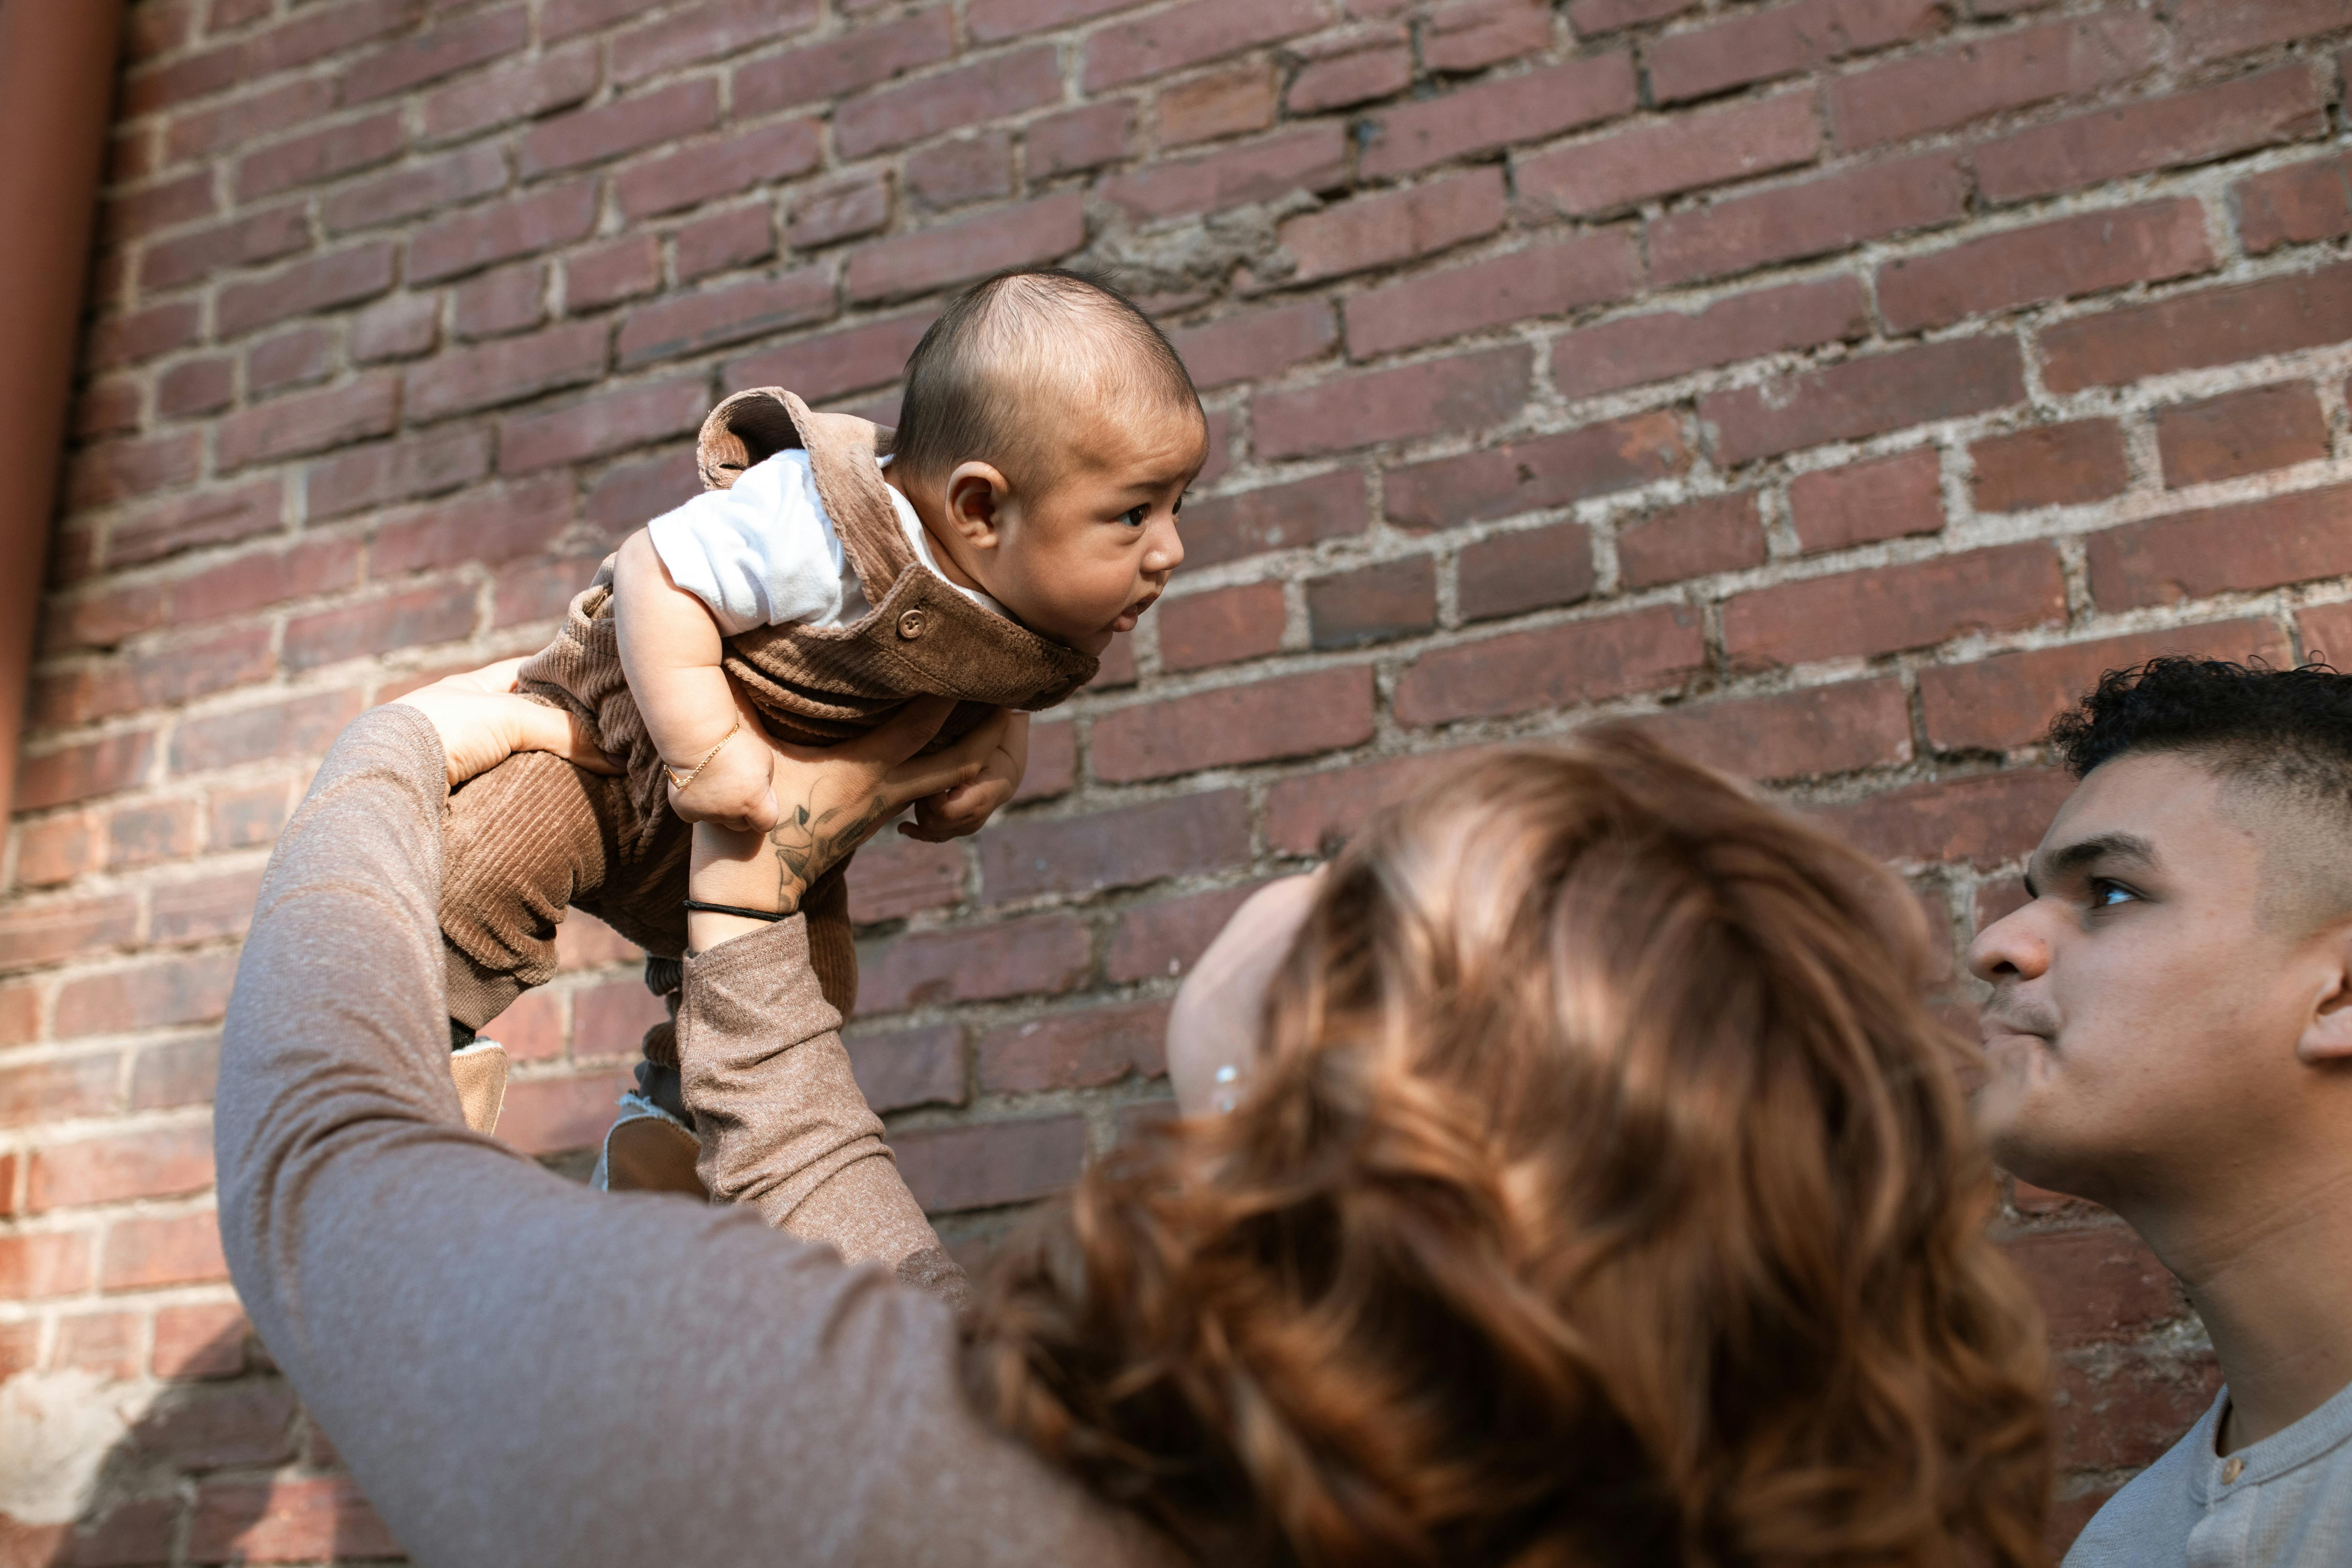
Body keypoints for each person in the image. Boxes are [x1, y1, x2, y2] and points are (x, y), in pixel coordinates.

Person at [216, 661, 2051, 1566]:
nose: (1307, 868)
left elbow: (321, 1162)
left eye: (1360, 881)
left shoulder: (880, 1487)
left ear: (1373, 1109)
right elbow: (909, 1313)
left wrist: (401, 750)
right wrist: (749, 921)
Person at [433, 265, 1203, 1158]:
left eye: (1177, 506)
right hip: (612, 759)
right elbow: (655, 569)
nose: (1170, 550)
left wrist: (998, 764)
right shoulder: (821, 523)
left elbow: (1004, 677)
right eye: (1134, 514)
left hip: (766, 834)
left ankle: (673, 1135)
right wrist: (703, 744)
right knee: (484, 868)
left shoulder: (1024, 610)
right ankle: (411, 1081)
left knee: (806, 1000)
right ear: (980, 507)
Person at [1969, 658, 2352, 1567]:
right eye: (2032, 899)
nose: (1994, 944)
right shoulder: (2121, 1547)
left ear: (2338, 994)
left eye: (2109, 891)